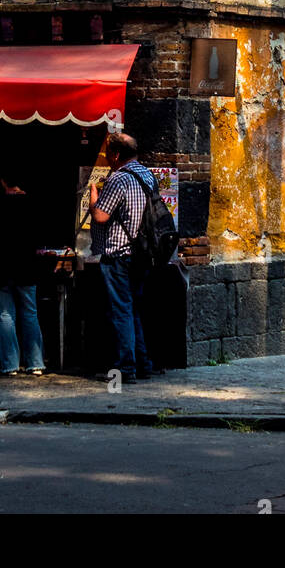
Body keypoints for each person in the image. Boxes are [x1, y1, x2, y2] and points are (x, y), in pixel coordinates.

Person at [88, 131, 158, 382]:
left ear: (116, 155)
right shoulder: (147, 175)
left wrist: (93, 194)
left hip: (119, 254)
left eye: (108, 154)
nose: (107, 158)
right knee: (133, 309)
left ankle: (125, 368)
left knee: (121, 311)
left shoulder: (118, 178)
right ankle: (143, 363)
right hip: (142, 253)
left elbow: (100, 216)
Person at [0, 172, 46, 377]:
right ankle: (36, 363)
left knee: (6, 315)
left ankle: (10, 365)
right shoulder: (32, 204)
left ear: (3, 181)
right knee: (30, 313)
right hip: (27, 266)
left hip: (1, 267)